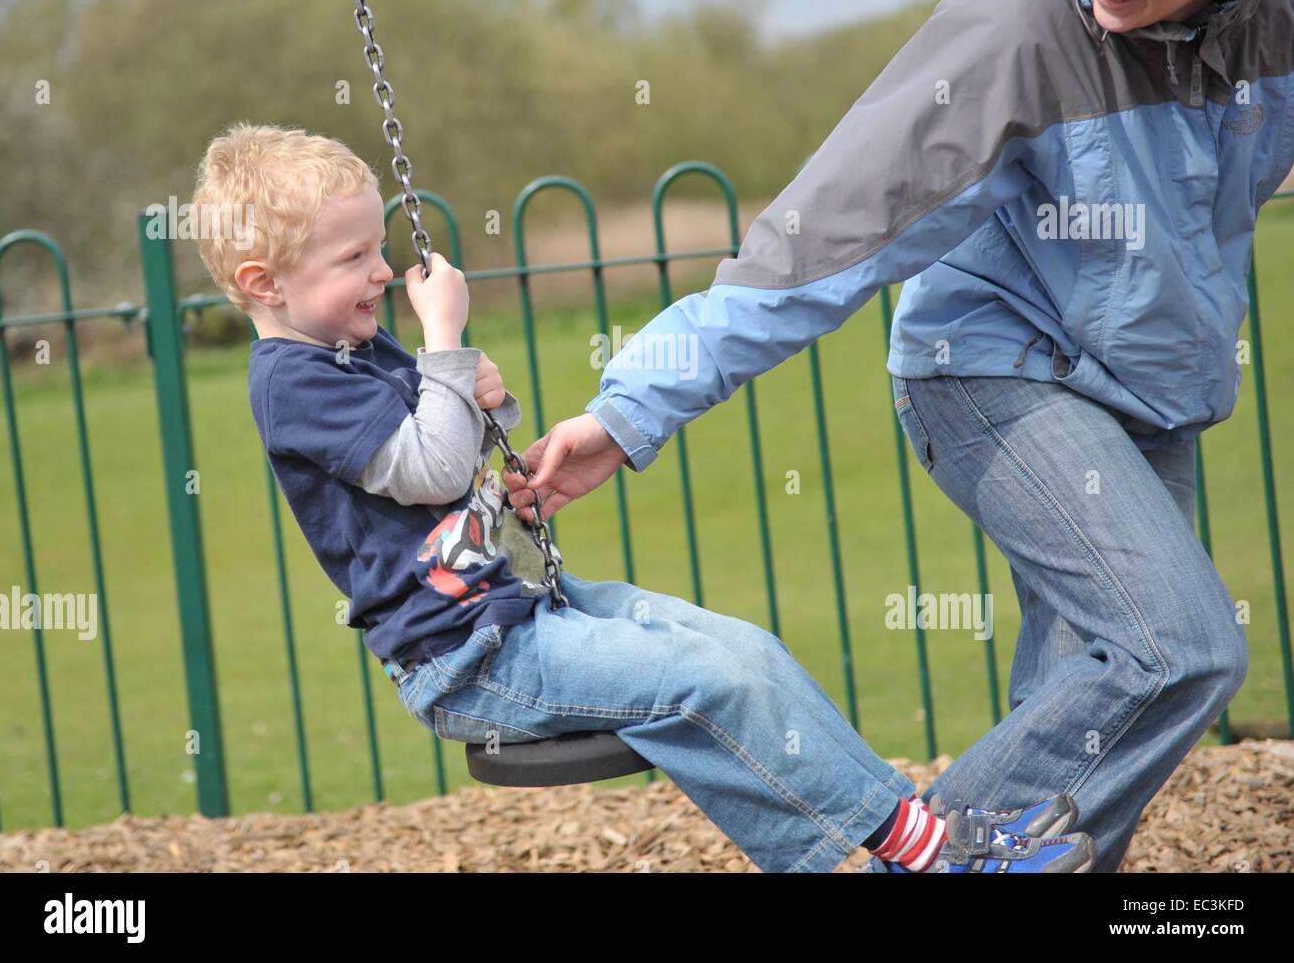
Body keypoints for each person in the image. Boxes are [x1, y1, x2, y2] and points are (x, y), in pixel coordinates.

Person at [505, 0, 1294, 873]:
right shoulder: (1018, 30)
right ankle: (907, 865)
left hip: (1147, 389)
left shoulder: (1273, 17)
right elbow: (825, 232)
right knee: (1177, 648)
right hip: (994, 367)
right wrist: (629, 410)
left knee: (1083, 738)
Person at [191, 123, 1096, 873]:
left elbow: (449, 455)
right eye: (355, 256)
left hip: (524, 610)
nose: (385, 271)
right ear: (263, 285)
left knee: (743, 648)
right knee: (705, 683)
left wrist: (488, 410)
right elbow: (427, 469)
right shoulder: (290, 382)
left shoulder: (362, 347)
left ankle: (926, 834)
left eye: (380, 246)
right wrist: (447, 344)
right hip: (468, 659)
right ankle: (938, 859)